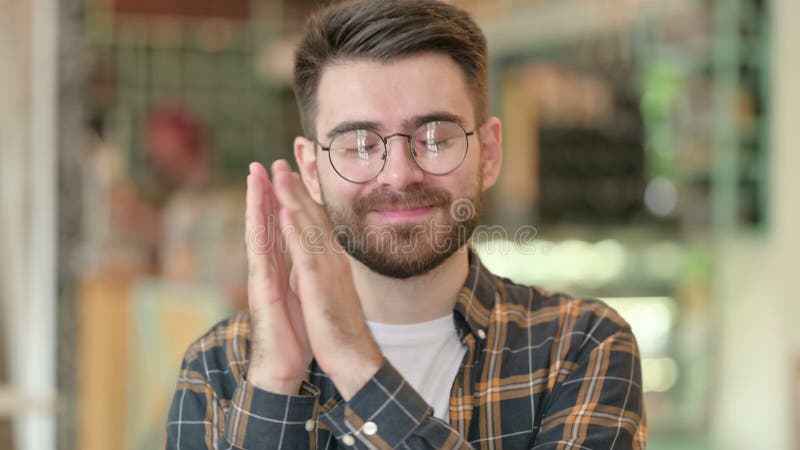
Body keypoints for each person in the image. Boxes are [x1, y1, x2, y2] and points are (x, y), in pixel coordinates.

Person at [165, 0, 647, 448]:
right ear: (311, 169)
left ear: (491, 153)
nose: (399, 174)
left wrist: (357, 363)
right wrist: (274, 386)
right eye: (358, 144)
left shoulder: (580, 347)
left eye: (436, 137)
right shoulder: (221, 368)